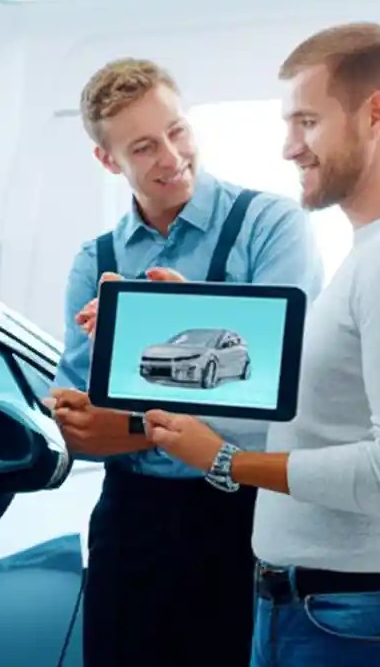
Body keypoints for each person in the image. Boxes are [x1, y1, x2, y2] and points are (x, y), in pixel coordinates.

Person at [124, 23, 380, 666]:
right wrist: (178, 319)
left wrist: (227, 464)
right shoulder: (377, 248)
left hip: (367, 622)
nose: (290, 148)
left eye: (307, 122)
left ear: (375, 114)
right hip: (323, 613)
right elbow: (311, 410)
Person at [51, 57, 324, 666]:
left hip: (240, 514)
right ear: (108, 160)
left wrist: (126, 416)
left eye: (177, 131)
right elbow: (75, 425)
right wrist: (164, 421)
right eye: (144, 147)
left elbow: (276, 404)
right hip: (131, 522)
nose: (171, 157)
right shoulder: (93, 260)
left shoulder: (271, 226)